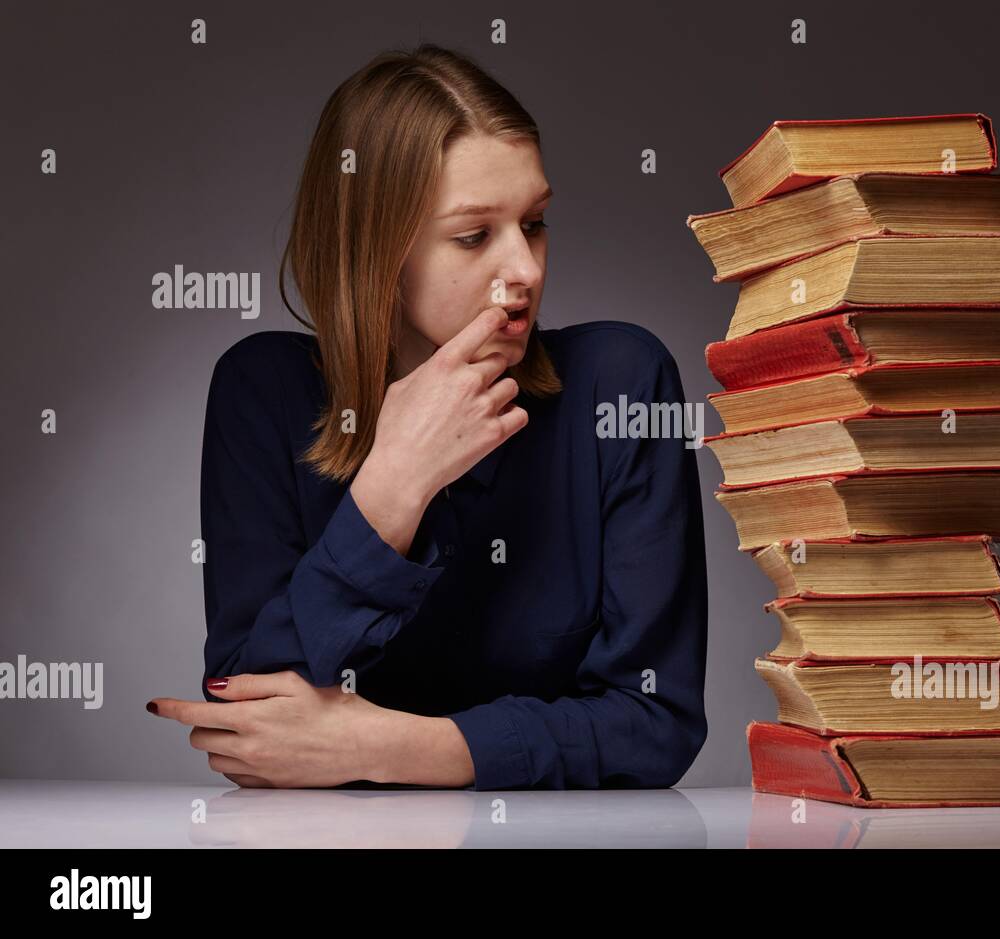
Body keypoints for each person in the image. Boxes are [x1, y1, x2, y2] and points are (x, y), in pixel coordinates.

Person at [145, 43, 708, 790]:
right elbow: (250, 718)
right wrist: (392, 487)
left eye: (535, 222)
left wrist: (389, 746)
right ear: (376, 251)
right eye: (475, 236)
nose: (528, 270)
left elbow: (655, 722)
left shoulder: (620, 385)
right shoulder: (262, 391)